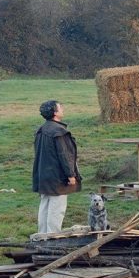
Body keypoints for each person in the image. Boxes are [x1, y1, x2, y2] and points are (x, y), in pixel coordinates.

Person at [32, 100, 81, 234]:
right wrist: (71, 175)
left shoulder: (41, 130)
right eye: (60, 108)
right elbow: (65, 155)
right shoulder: (59, 131)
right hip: (57, 177)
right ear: (54, 112)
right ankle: (52, 238)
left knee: (45, 206)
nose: (62, 109)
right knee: (56, 209)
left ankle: (42, 236)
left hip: (43, 175)